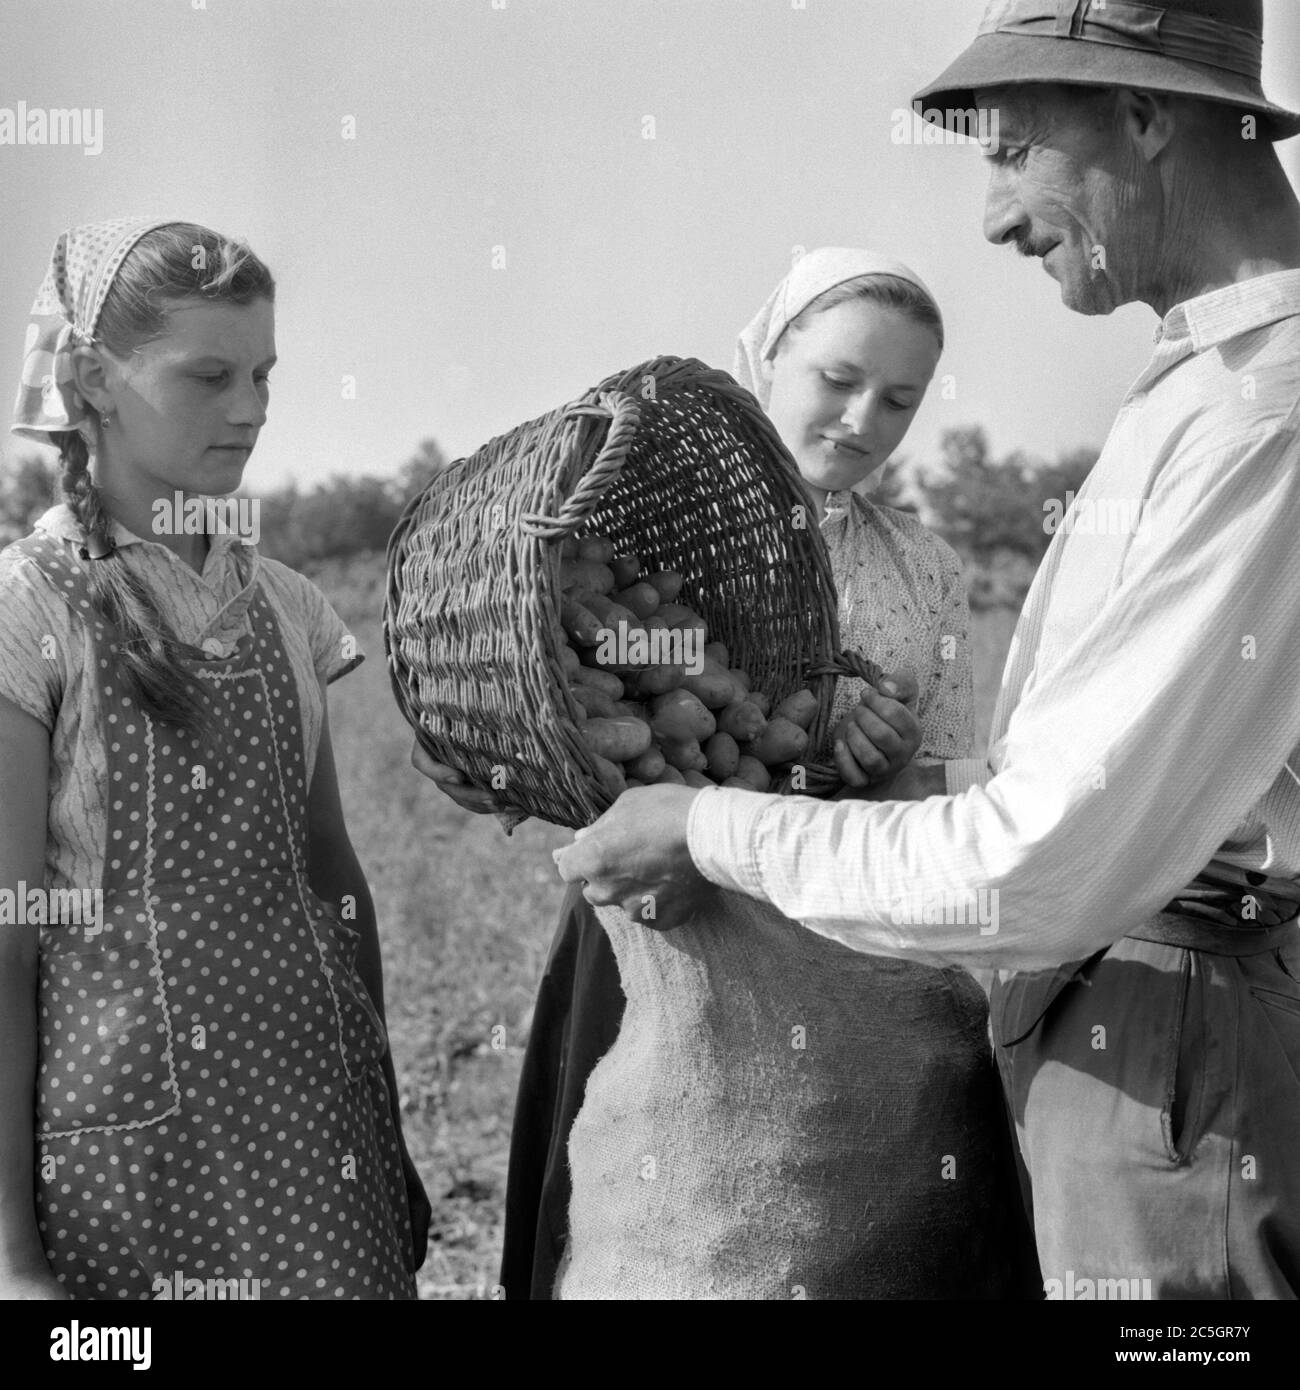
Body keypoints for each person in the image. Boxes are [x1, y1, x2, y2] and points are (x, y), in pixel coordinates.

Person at [557, 0, 1300, 1299]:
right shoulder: (1197, 385)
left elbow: (1049, 852)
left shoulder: (1255, 414)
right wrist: (910, 785)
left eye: (1013, 150)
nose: (995, 216)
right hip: (1111, 1019)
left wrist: (714, 823)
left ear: (1140, 114)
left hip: (1172, 1032)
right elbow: (1072, 787)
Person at [421, 249, 1037, 1299]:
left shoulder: (924, 567)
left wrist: (876, 762)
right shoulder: (658, 530)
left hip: (842, 934)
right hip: (663, 925)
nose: (860, 418)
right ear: (763, 357)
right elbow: (598, 704)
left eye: (897, 398)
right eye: (836, 380)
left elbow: (939, 792)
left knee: (836, 1218)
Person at [0, 218, 429, 1300]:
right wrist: (9, 1256)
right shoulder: (28, 608)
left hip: (312, 1127)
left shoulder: (285, 605)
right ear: (91, 381)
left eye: (263, 373)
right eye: (207, 375)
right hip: (122, 1162)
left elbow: (332, 877)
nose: (250, 408)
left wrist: (383, 1136)